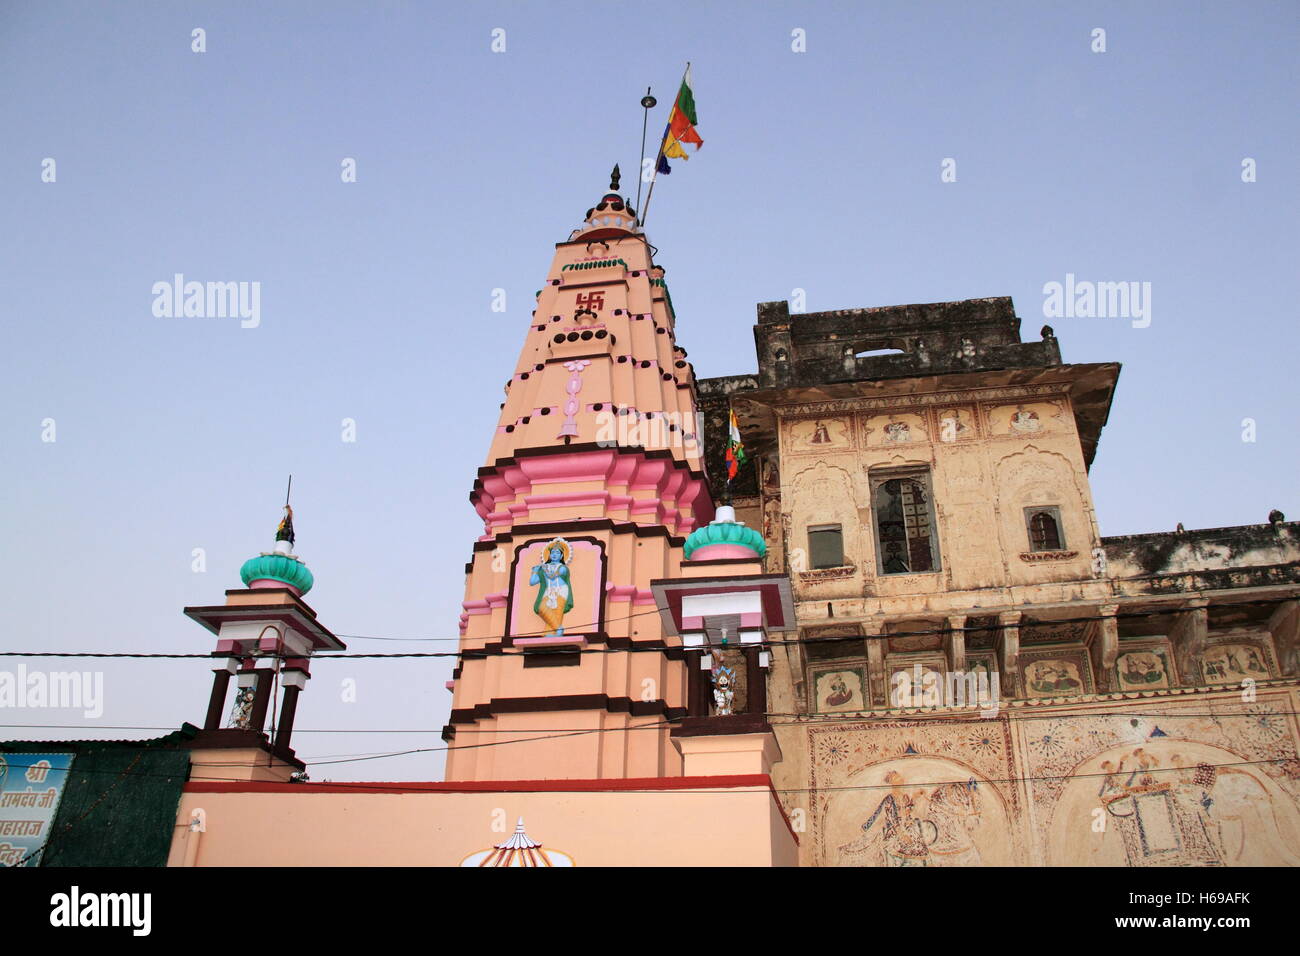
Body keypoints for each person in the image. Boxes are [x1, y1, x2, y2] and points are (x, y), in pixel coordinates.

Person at [530, 539, 573, 636]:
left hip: (560, 591)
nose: (554, 554)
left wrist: (545, 568)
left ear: (562, 556)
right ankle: (558, 628)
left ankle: (552, 634)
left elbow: (553, 576)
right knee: (541, 607)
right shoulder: (545, 568)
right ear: (549, 555)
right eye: (552, 552)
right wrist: (535, 571)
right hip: (548, 591)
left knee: (557, 613)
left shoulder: (562, 568)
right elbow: (532, 582)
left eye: (557, 553)